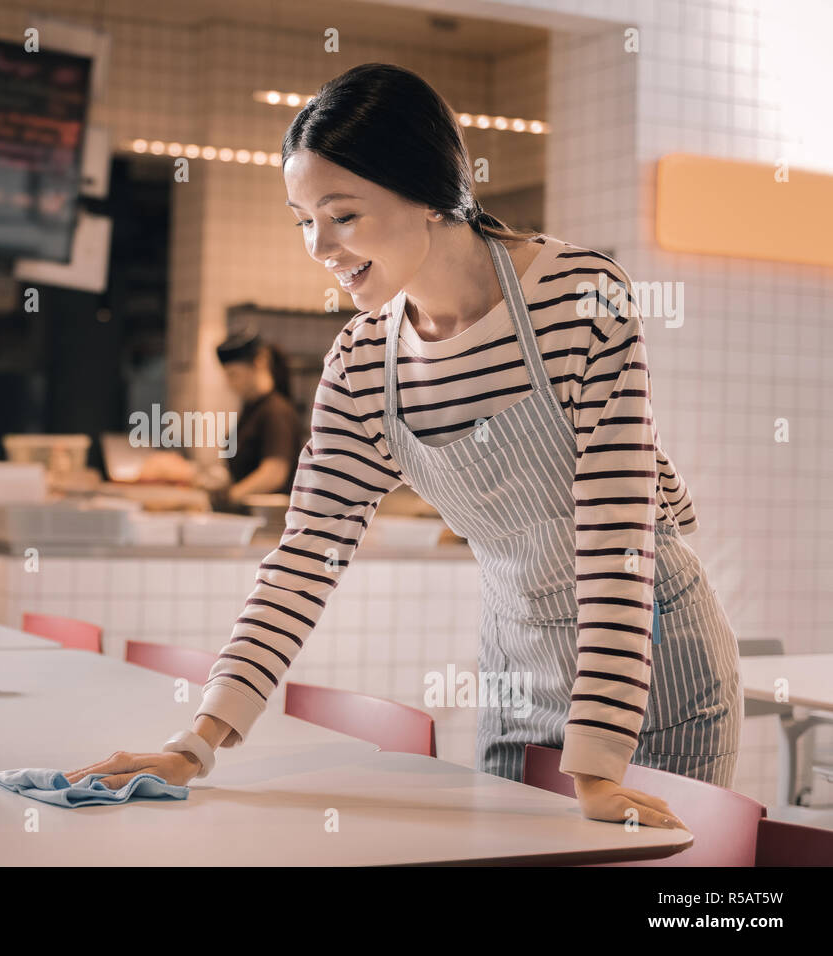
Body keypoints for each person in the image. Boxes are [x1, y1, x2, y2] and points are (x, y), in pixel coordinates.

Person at [67, 63, 741, 830]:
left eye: (342, 215)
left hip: (654, 664)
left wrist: (596, 765)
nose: (318, 245)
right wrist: (195, 745)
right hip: (517, 667)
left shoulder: (584, 299)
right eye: (302, 220)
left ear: (429, 194)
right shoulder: (361, 363)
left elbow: (618, 534)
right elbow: (303, 557)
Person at [209, 328, 305, 507]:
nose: (229, 383)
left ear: (259, 362)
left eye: (233, 375)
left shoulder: (276, 411)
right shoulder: (251, 408)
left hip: (270, 518)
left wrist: (228, 497)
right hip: (250, 515)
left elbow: (274, 473)